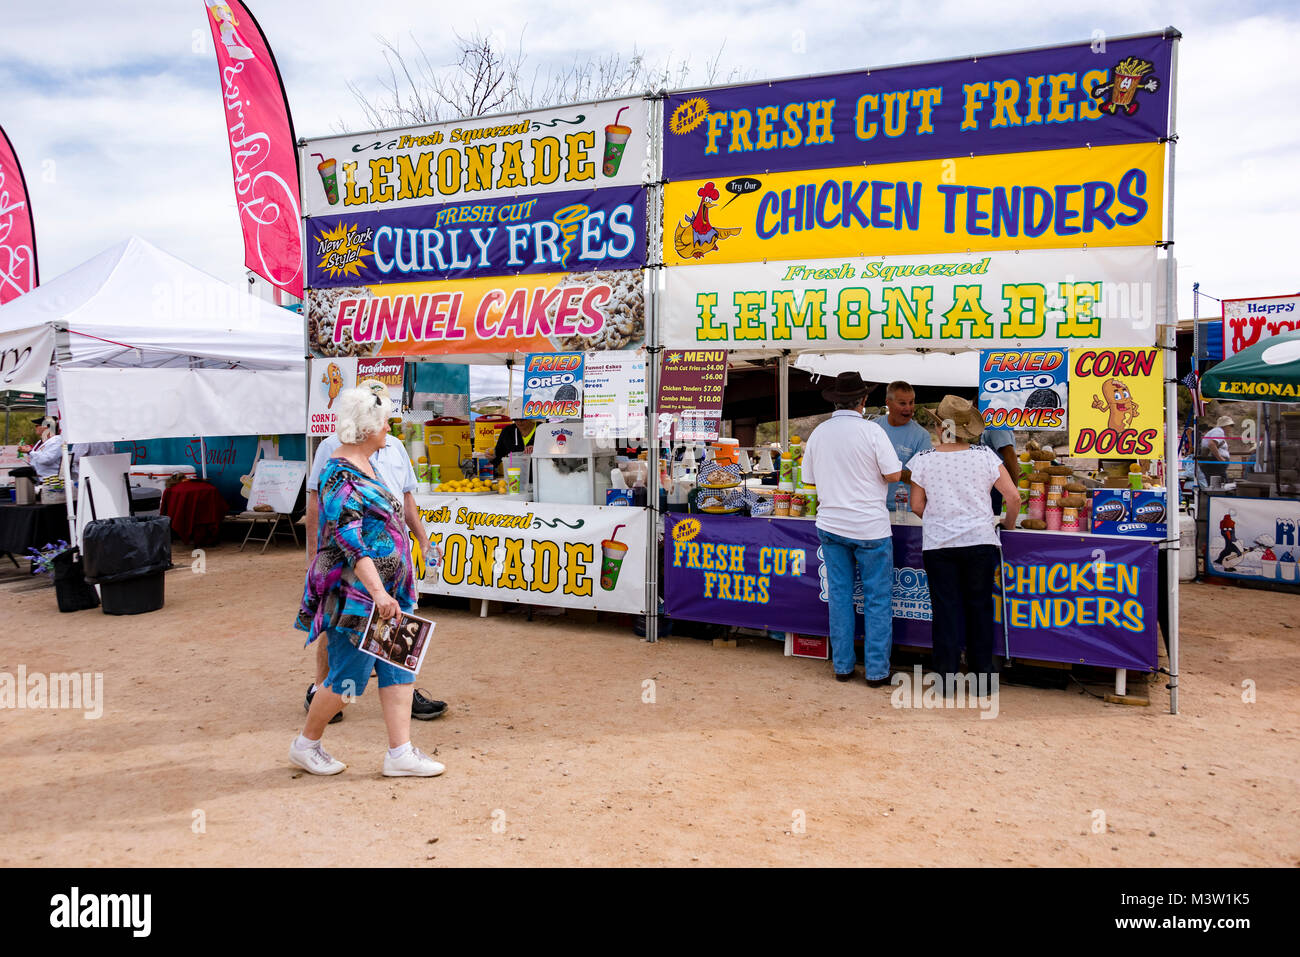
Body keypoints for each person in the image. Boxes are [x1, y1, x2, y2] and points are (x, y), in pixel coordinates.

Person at [292, 386, 444, 777]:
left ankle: (400, 753)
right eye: (384, 422)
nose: (390, 427)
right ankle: (306, 744)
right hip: (358, 595)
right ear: (365, 429)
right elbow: (350, 541)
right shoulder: (338, 473)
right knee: (348, 679)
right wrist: (377, 592)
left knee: (399, 667)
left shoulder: (370, 464)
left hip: (388, 590)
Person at [909, 396, 1020, 694]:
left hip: (939, 544)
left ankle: (945, 680)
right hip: (980, 541)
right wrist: (1006, 525)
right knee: (979, 609)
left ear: (938, 426)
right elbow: (1013, 498)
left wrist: (937, 516)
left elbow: (917, 505)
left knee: (945, 612)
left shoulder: (923, 460)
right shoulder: (985, 456)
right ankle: (983, 679)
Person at [801, 372, 902, 686]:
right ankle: (876, 672)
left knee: (841, 597)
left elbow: (808, 480)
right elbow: (894, 475)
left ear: (836, 400)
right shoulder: (872, 431)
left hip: (831, 525)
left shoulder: (819, 433)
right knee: (877, 599)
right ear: (863, 400)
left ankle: (843, 667)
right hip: (870, 527)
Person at [872, 381, 932, 512]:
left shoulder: (922, 436)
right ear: (888, 403)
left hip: (904, 510)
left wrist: (891, 473)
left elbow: (923, 477)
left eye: (911, 402)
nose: (909, 408)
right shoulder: (872, 428)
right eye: (902, 403)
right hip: (873, 508)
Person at [977, 424, 1018, 514]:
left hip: (999, 486)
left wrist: (1014, 489)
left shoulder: (996, 429)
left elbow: (1010, 455)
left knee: (996, 519)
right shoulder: (990, 428)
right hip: (995, 484)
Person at [1201, 415, 1233, 486]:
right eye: (1230, 425)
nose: (1231, 428)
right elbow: (1211, 444)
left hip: (1214, 463)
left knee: (1216, 483)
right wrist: (1220, 459)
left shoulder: (1216, 431)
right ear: (1225, 425)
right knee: (1218, 484)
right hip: (1215, 463)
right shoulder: (1219, 431)